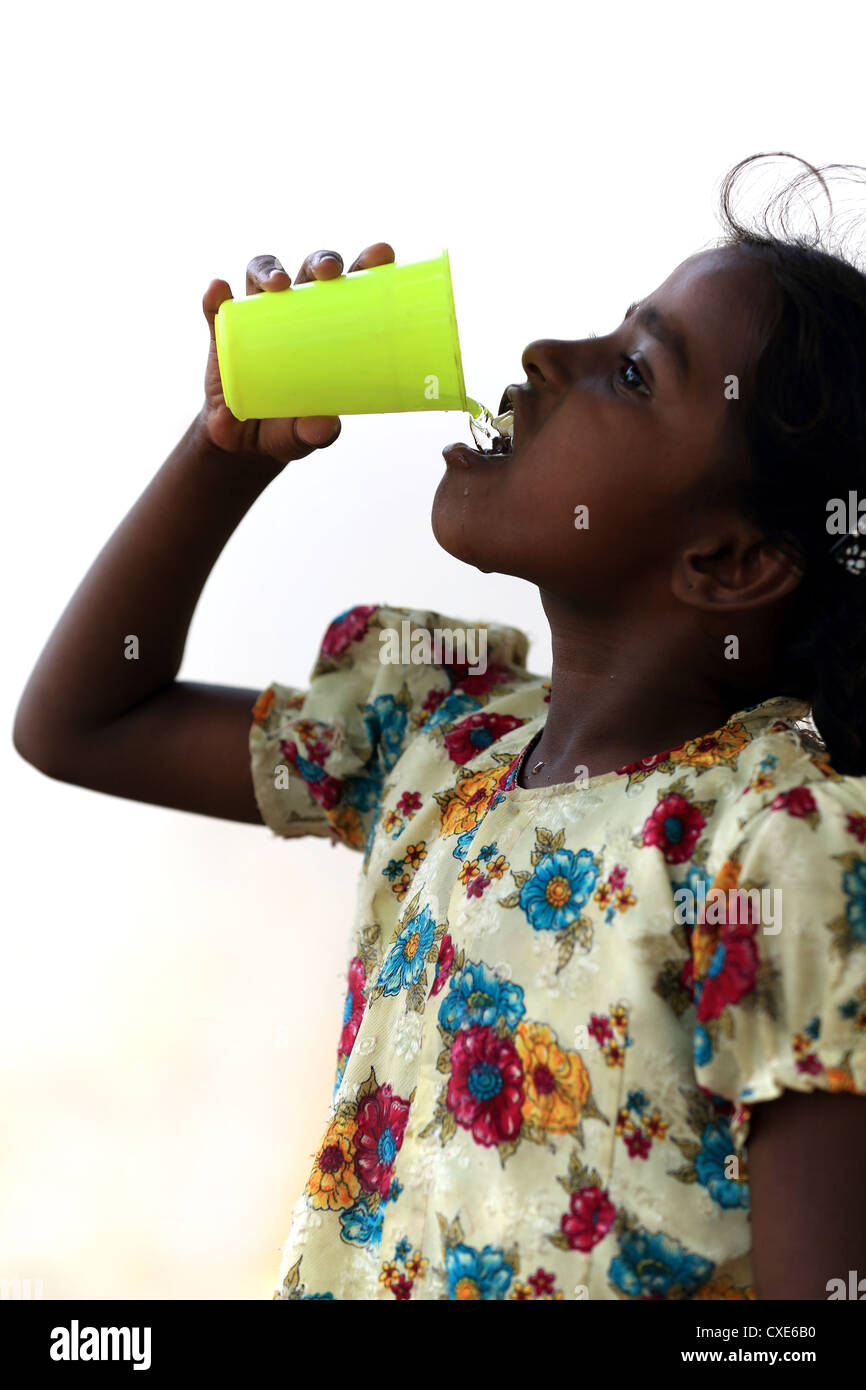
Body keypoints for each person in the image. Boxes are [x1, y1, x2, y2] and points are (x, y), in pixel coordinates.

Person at [13, 151, 866, 1301]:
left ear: (728, 562)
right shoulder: (438, 741)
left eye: (628, 372)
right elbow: (81, 721)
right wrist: (222, 452)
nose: (540, 359)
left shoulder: (777, 843)